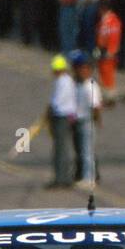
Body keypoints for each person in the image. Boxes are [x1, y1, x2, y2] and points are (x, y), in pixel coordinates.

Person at [70, 50, 103, 191]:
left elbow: (95, 107)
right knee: (81, 150)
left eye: (83, 68)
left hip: (87, 121)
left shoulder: (90, 86)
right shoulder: (77, 84)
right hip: (78, 120)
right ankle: (82, 174)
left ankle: (89, 178)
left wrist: (96, 120)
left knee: (87, 151)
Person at [47, 54, 77, 188]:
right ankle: (64, 176)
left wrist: (49, 110)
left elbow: (57, 101)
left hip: (61, 116)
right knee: (63, 147)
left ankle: (61, 178)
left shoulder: (64, 82)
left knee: (60, 148)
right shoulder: (64, 80)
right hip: (64, 115)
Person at [95, 0, 123, 105]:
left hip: (108, 51)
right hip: (103, 50)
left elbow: (113, 37)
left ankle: (110, 96)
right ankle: (105, 95)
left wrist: (111, 51)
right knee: (102, 72)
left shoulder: (112, 21)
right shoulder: (105, 20)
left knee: (108, 73)